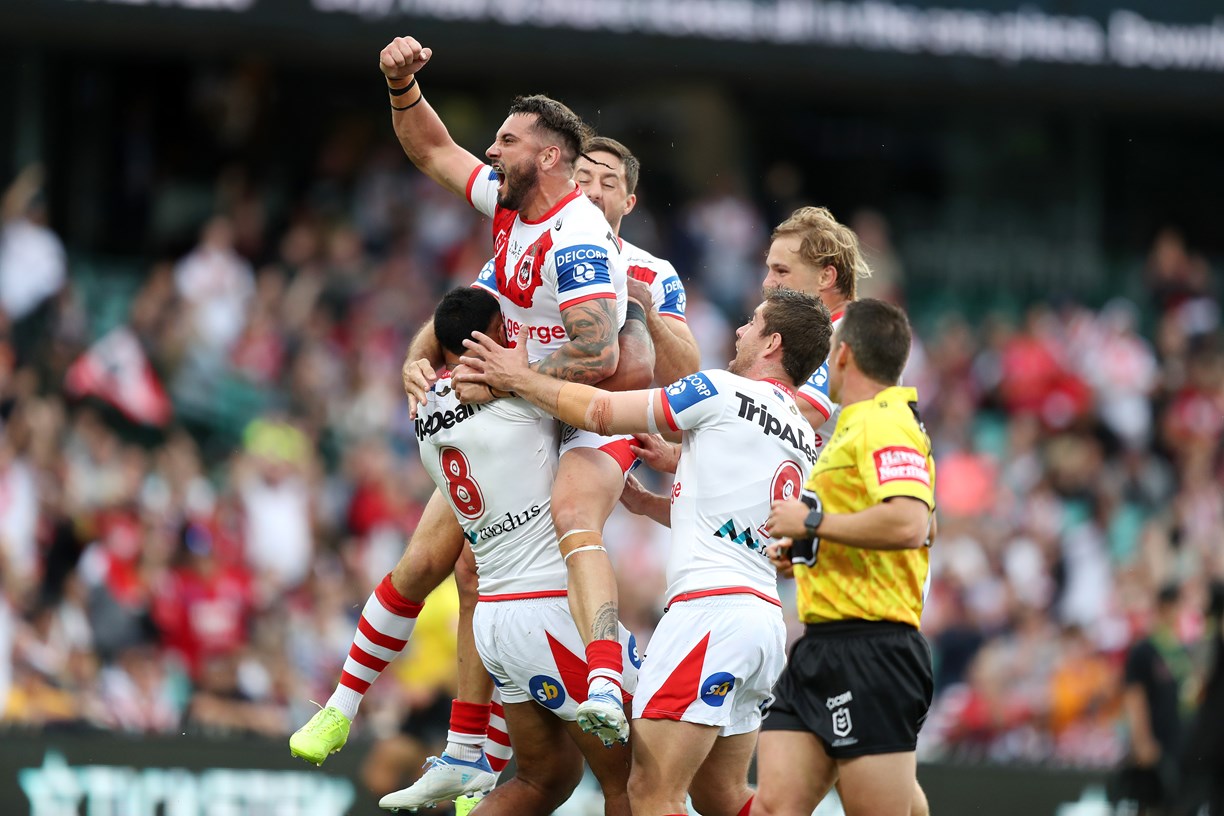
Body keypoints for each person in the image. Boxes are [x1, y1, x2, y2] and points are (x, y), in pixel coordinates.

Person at [290, 38, 653, 790]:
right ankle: (358, 713)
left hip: (575, 418)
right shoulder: (512, 206)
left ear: (547, 157)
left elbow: (600, 356)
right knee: (434, 560)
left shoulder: (578, 238)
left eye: (507, 141)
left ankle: (588, 690)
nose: (491, 151)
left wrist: (511, 379)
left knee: (531, 543)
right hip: (517, 409)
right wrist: (401, 86)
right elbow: (433, 151)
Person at [458, 287, 832, 816]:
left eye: (752, 322)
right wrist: (652, 501)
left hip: (709, 615)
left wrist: (519, 377)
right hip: (762, 623)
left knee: (652, 793)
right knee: (721, 796)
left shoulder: (721, 390)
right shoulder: (801, 435)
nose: (740, 330)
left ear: (772, 343)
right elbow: (739, 522)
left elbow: (603, 411)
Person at [380, 287, 636, 814]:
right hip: (552, 611)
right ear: (498, 332)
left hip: (494, 621)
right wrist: (630, 308)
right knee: (634, 783)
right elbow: (602, 377)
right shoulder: (521, 398)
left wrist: (418, 360)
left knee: (544, 781)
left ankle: (462, 754)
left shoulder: (424, 405)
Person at [755, 299, 936, 816]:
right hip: (821, 643)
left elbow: (911, 524)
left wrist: (812, 524)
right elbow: (921, 524)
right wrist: (808, 549)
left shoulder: (885, 423)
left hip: (874, 647)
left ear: (844, 355)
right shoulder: (856, 427)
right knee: (773, 807)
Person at [574, 137, 700, 385]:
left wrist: (646, 310)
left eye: (608, 184)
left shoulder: (654, 273)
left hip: (607, 410)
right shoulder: (525, 252)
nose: (594, 192)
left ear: (628, 204)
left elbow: (685, 376)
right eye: (583, 180)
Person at [1111, 583, 1195, 816]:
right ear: (1164, 608)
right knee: (1149, 805)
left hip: (1179, 749)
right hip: (1154, 748)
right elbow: (1134, 697)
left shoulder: (1182, 652)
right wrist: (1142, 740)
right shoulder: (1144, 651)